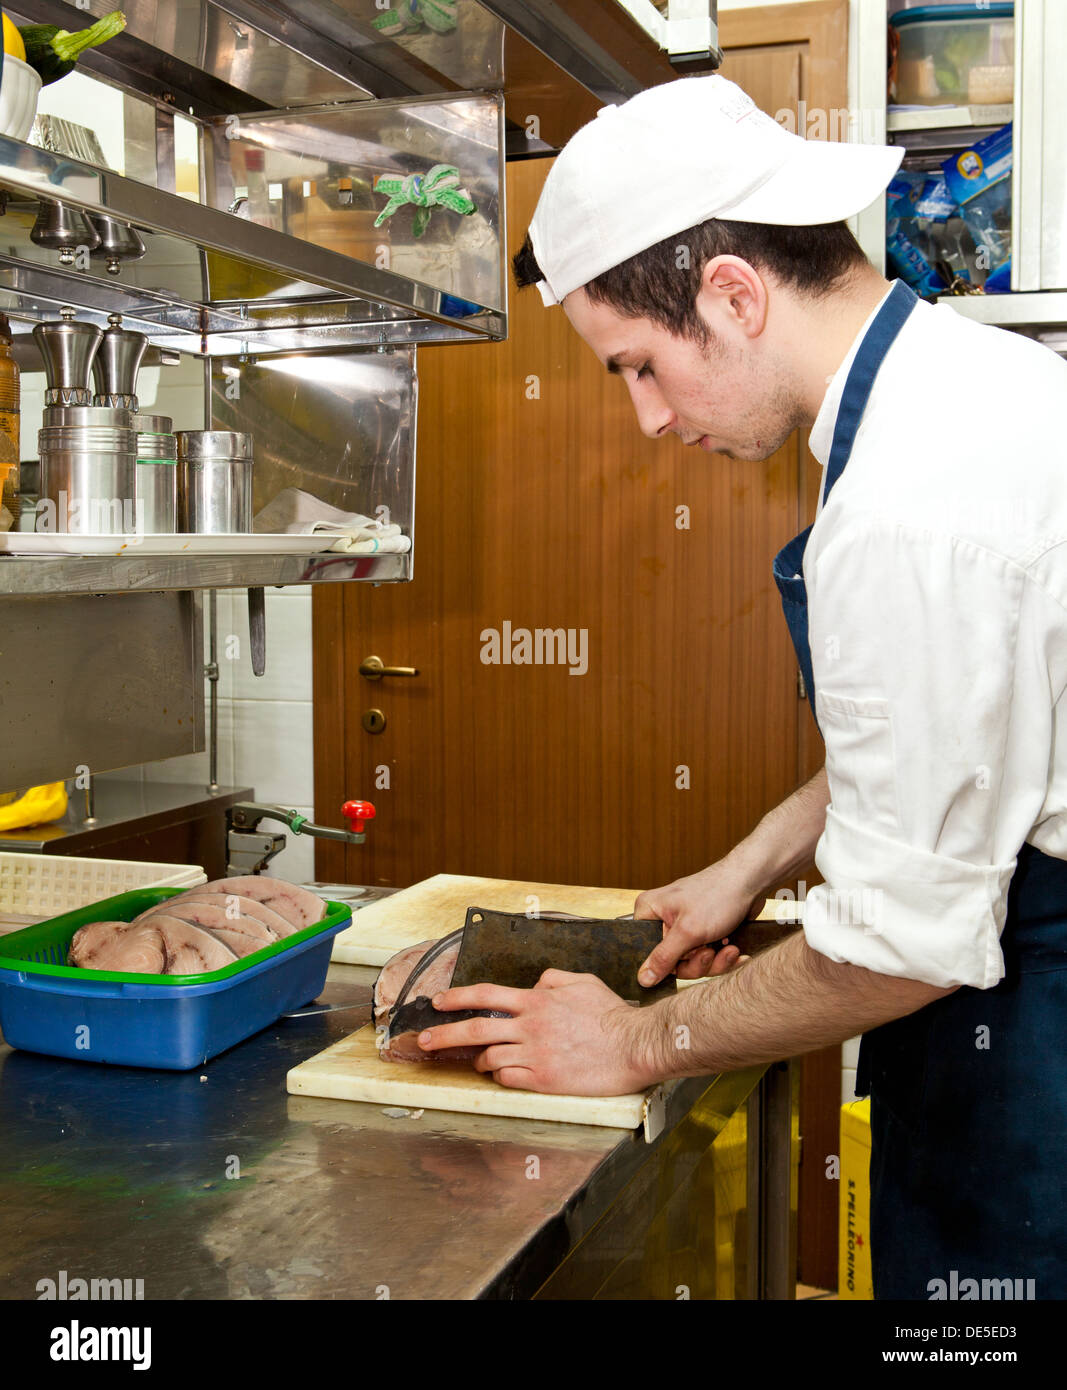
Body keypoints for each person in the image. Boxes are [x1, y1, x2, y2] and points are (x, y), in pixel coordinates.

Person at [417, 74, 1067, 1299]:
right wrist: (751, 864)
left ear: (731, 292)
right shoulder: (965, 391)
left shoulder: (904, 510)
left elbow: (896, 950)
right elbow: (973, 735)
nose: (649, 419)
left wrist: (632, 1041)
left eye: (640, 366)